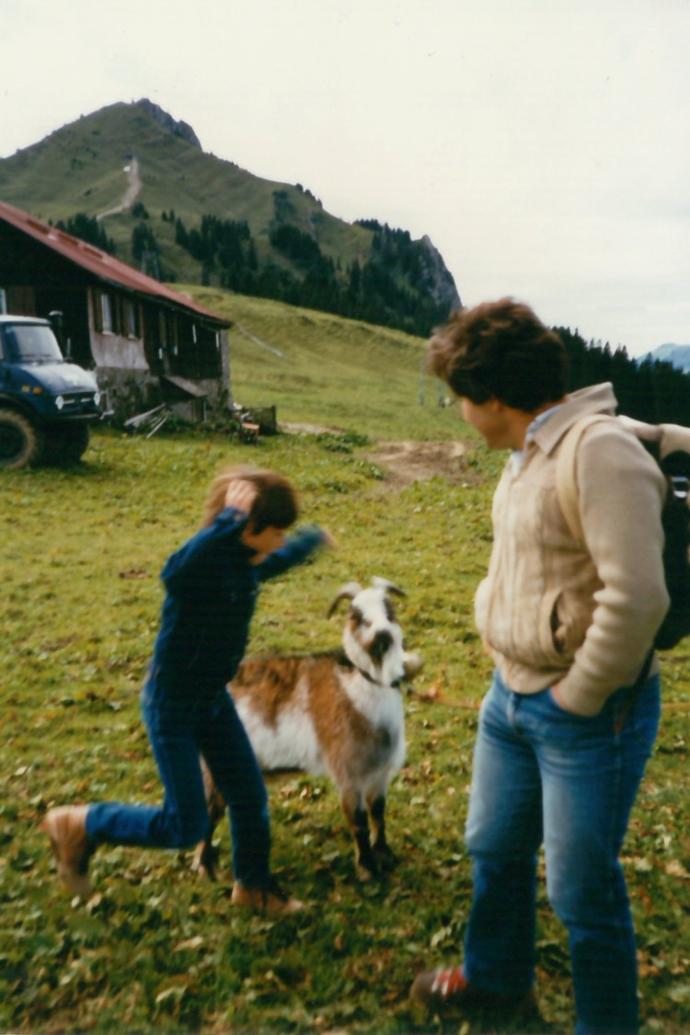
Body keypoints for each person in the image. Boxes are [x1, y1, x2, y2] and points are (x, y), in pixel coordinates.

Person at [411, 299, 669, 1034]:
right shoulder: (529, 451)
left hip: (588, 715)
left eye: (461, 397)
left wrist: (579, 696)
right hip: (510, 700)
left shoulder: (597, 452)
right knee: (494, 847)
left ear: (493, 397)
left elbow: (638, 596)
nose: (460, 412)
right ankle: (496, 982)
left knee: (581, 893)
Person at [42, 466, 330, 915]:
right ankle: (80, 823)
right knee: (184, 825)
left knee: (248, 795)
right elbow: (174, 572)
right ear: (246, 527)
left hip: (212, 701)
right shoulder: (200, 566)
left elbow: (268, 565)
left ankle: (252, 886)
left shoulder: (240, 563)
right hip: (172, 705)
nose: (278, 541)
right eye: (275, 532)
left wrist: (304, 545)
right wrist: (227, 520)